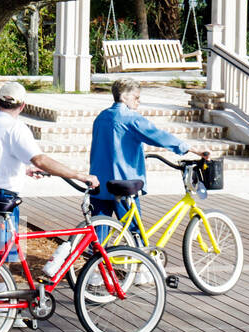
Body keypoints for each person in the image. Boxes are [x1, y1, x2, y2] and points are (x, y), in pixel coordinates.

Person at [0, 81, 99, 262]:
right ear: (22, 106)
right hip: (1, 198)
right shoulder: (17, 128)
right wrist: (80, 176)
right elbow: (41, 160)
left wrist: (24, 170)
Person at [89, 77, 208, 227]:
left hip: (99, 182)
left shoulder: (101, 117)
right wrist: (192, 149)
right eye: (136, 97)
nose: (138, 102)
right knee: (134, 235)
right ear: (124, 97)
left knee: (98, 237)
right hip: (122, 182)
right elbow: (158, 136)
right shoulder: (130, 118)